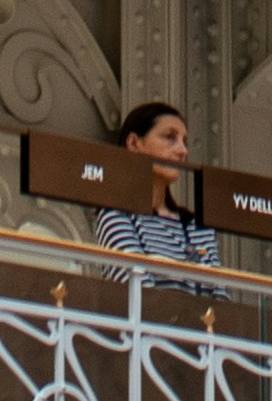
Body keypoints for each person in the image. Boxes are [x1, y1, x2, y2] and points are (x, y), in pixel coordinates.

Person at [94, 97, 221, 273]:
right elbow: (135, 285)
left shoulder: (197, 226)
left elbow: (219, 294)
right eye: (170, 137)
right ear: (134, 143)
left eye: (184, 141)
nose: (183, 150)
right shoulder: (116, 215)